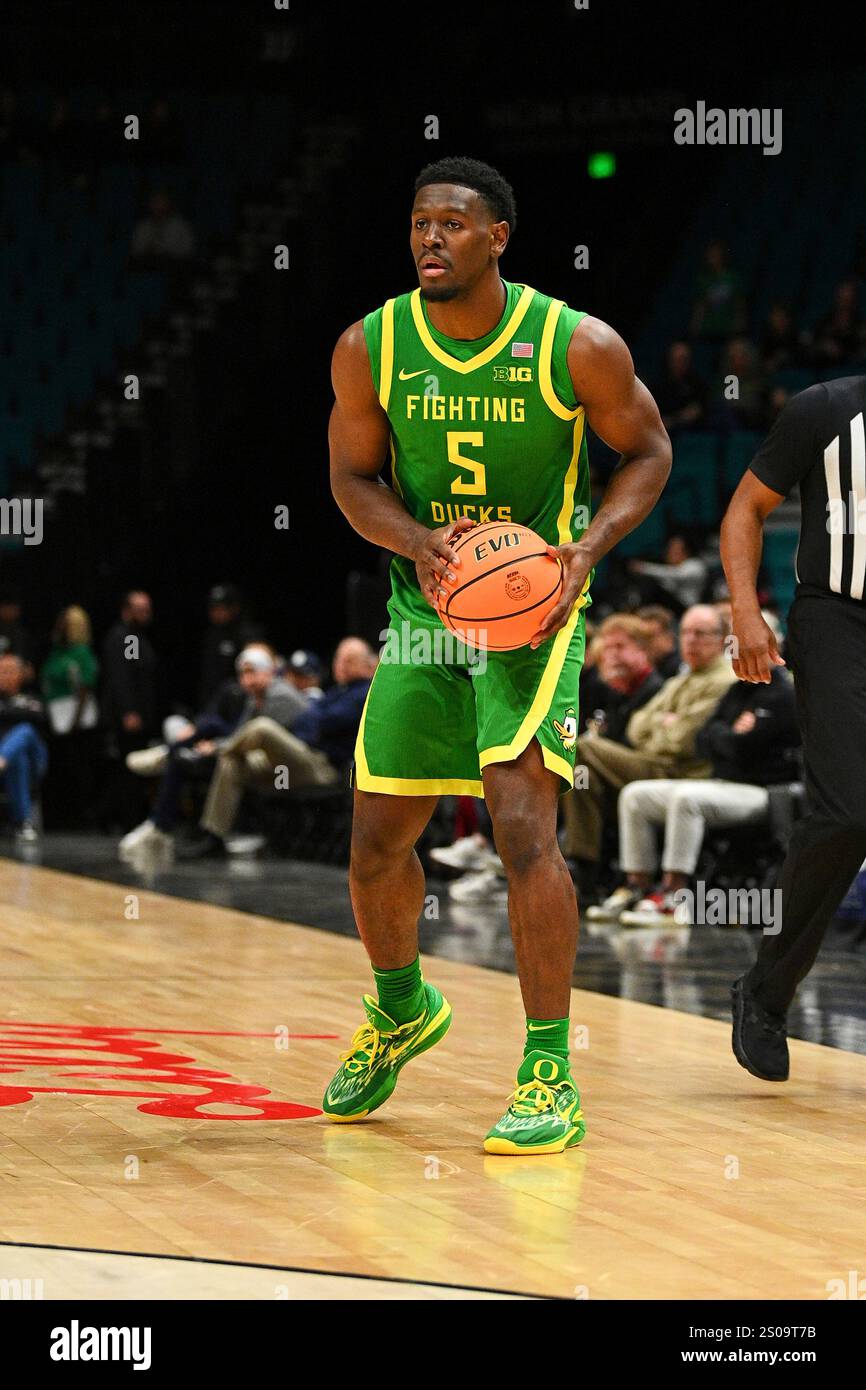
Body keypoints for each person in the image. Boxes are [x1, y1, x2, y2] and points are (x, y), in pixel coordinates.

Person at [324, 155, 671, 1154]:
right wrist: (414, 540)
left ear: (496, 239)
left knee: (522, 825)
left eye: (451, 223)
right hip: (425, 609)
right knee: (376, 843)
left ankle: (547, 1069)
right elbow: (353, 479)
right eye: (418, 222)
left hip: (534, 611)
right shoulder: (369, 346)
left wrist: (586, 549)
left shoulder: (576, 345)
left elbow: (646, 451)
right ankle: (400, 1007)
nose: (429, 237)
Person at [721, 374, 866, 1081]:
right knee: (847, 812)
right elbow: (746, 509)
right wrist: (747, 612)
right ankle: (766, 990)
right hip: (839, 619)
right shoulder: (824, 408)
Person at [605, 654, 799, 926]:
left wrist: (724, 736)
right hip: (721, 782)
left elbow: (743, 748)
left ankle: (675, 895)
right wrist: (729, 733)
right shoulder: (737, 689)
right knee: (636, 795)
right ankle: (638, 886)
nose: (741, 656)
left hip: (764, 791)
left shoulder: (783, 695)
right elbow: (702, 739)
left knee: (687, 799)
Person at [561, 605, 736, 895]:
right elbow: (636, 727)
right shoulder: (683, 678)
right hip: (654, 761)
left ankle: (586, 866)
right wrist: (664, 725)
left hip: (680, 770)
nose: (691, 640)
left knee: (583, 748)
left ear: (721, 638)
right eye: (686, 632)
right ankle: (583, 869)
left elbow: (683, 741)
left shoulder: (723, 680)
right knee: (584, 773)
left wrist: (661, 728)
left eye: (701, 633)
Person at [180, 637, 375, 860]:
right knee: (233, 763)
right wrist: (316, 720)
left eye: (349, 660)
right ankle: (213, 836)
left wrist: (316, 720)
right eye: (338, 659)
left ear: (369, 665)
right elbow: (307, 719)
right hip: (296, 763)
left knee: (263, 728)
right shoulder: (336, 692)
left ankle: (211, 751)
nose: (341, 665)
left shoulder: (366, 692)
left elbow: (322, 721)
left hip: (325, 768)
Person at [120, 643, 308, 858]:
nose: (247, 679)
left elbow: (251, 737)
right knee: (222, 750)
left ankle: (167, 757)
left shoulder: (279, 695)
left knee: (240, 740)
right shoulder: (254, 697)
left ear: (269, 671)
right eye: (243, 673)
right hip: (268, 760)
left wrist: (216, 747)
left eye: (252, 672)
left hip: (290, 765)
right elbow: (239, 734)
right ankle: (214, 835)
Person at [40, 606, 100, 826]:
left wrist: (75, 720)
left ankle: (80, 816)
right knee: (57, 769)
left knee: (77, 768)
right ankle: (58, 815)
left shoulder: (81, 653)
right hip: (54, 716)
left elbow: (85, 686)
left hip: (76, 720)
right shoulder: (57, 651)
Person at [0, 652, 48, 842]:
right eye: (1, 671)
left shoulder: (33, 698)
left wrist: (8, 710)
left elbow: (40, 717)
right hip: (15, 766)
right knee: (18, 759)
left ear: (21, 674)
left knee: (25, 730)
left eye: (10, 671)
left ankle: (2, 759)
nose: (5, 676)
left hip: (37, 762)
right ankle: (23, 823)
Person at [198, 584, 263, 709]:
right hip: (212, 699)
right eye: (213, 608)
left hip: (238, 700)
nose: (216, 613)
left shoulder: (248, 634)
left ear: (234, 608)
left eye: (221, 608)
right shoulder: (211, 635)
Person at [628, 532, 708, 612]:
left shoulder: (695, 564)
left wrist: (644, 568)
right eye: (669, 548)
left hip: (687, 607)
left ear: (685, 550)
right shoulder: (673, 568)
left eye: (674, 549)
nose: (669, 552)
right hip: (672, 605)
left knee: (652, 585)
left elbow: (676, 574)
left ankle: (637, 610)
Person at [652, 341, 707, 434]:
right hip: (663, 432)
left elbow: (699, 410)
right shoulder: (657, 384)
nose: (680, 363)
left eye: (684, 359)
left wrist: (676, 420)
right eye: (676, 359)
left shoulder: (697, 383)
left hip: (692, 431)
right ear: (669, 360)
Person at [130, 189, 195, 264]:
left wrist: (167, 253)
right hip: (147, 267)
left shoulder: (180, 225)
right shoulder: (144, 226)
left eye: (162, 201)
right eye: (155, 202)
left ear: (168, 203)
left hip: (174, 267)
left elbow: (189, 249)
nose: (158, 206)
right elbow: (136, 249)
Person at [637, 604, 681, 678]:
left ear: (668, 636)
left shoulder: (682, 666)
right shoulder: (653, 671)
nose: (645, 644)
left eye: (650, 637)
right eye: (641, 638)